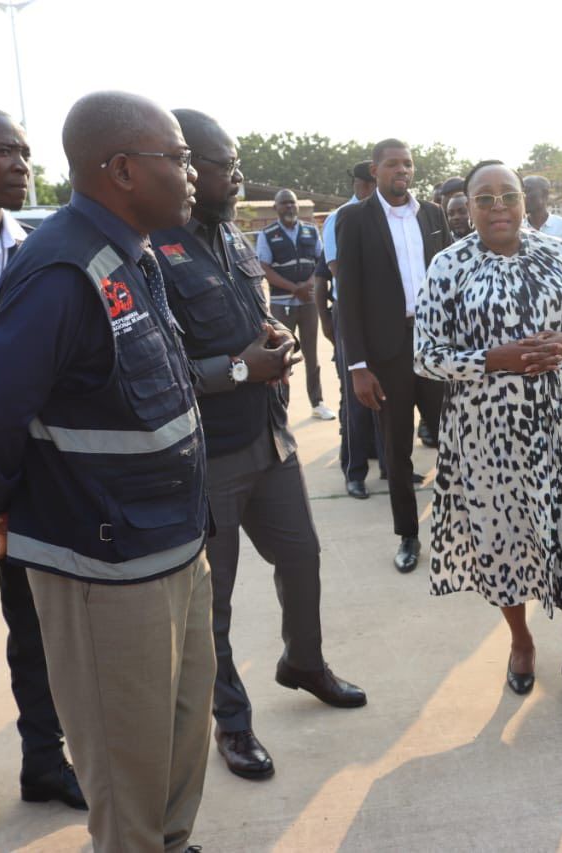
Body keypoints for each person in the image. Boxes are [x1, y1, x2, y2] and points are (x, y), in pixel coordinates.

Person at [0, 90, 215, 852]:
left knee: (178, 735)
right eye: (179, 158)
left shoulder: (135, 253)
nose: (191, 172)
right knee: (125, 766)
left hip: (172, 543)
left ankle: (170, 841)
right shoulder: (63, 269)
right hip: (107, 564)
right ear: (123, 170)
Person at [152, 109, 366, 783]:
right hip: (207, 458)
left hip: (270, 442)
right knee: (213, 605)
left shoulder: (236, 240)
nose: (236, 174)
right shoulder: (151, 251)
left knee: (302, 559)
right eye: (225, 163)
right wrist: (243, 367)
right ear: (189, 167)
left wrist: (275, 340)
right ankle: (234, 725)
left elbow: (251, 319)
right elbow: (155, 373)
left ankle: (303, 661)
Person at [414, 160, 562, 705]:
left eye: (508, 195)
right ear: (468, 207)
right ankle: (521, 641)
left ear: (525, 202)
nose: (498, 206)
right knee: (506, 542)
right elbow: (426, 357)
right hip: (488, 434)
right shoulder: (448, 266)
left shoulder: (559, 254)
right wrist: (493, 359)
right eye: (485, 198)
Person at [0, 104, 85, 842]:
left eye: (26, 153)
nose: (22, 165)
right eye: (3, 151)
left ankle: (45, 761)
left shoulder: (34, 248)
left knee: (39, 632)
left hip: (34, 484)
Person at [336, 138, 449, 573]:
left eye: (408, 163)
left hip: (436, 346)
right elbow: (348, 298)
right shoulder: (354, 219)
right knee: (397, 448)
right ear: (376, 169)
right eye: (392, 164)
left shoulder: (433, 215)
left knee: (454, 438)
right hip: (388, 353)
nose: (402, 170)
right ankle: (408, 534)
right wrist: (358, 367)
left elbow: (449, 280)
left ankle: (462, 523)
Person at [323, 161, 384, 497]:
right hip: (353, 314)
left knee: (388, 395)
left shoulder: (388, 217)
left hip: (386, 317)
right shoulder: (340, 218)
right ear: (363, 185)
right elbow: (338, 271)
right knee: (356, 397)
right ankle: (355, 471)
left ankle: (389, 467)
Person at [257, 189, 335, 420]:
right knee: (282, 356)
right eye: (284, 204)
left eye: (292, 203)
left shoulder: (311, 230)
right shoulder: (268, 234)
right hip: (282, 305)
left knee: (312, 355)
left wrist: (307, 286)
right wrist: (295, 289)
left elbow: (321, 262)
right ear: (276, 208)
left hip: (308, 303)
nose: (289, 207)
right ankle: (282, 406)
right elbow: (264, 268)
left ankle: (318, 402)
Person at [522, 175, 562, 263]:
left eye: (527, 191)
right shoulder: (519, 229)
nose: (523, 197)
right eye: (521, 192)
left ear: (545, 194)